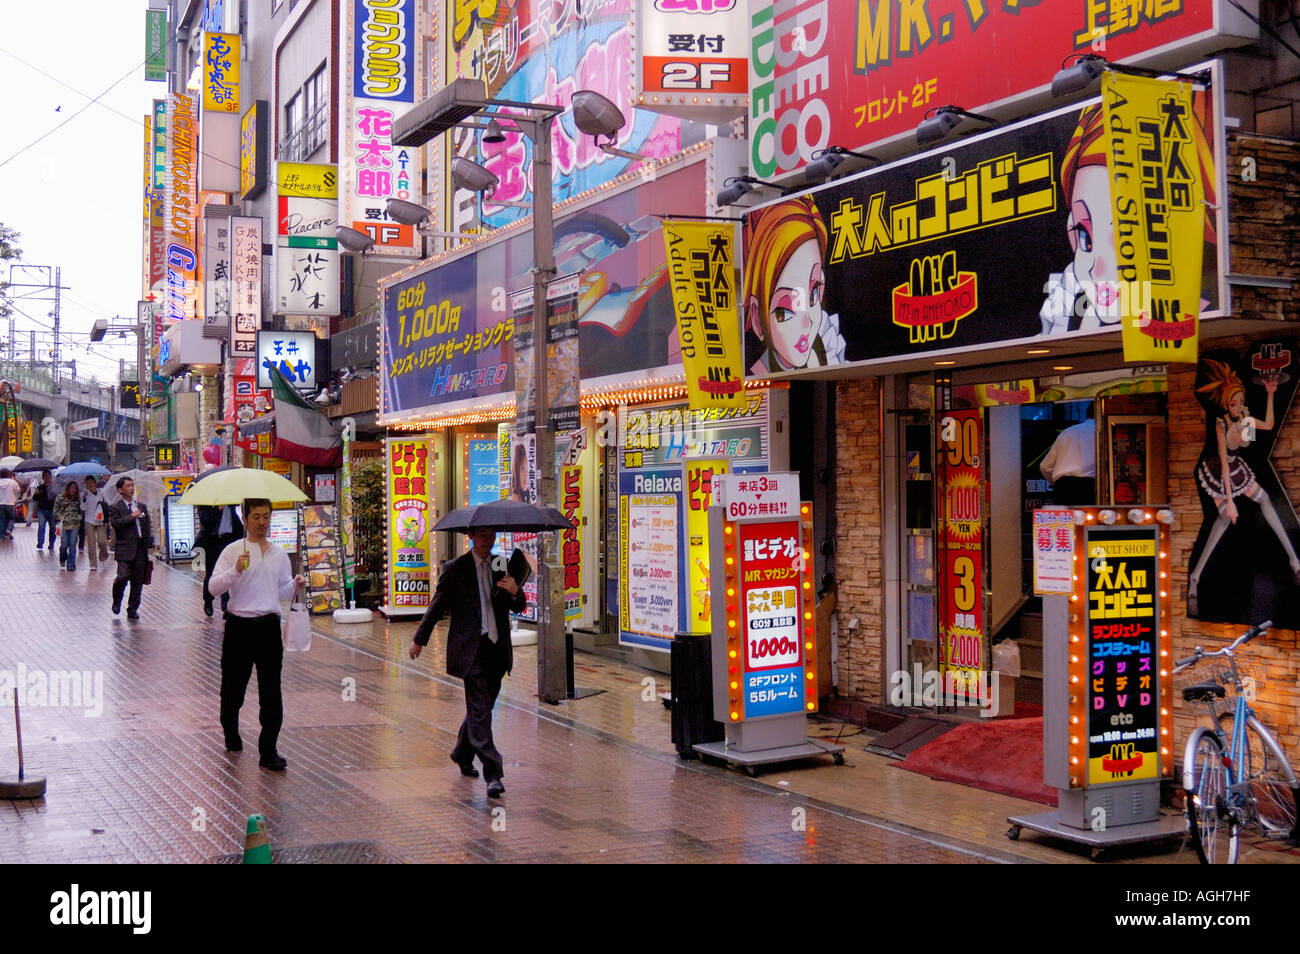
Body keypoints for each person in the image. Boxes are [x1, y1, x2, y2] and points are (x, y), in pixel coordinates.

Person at [409, 527, 524, 798]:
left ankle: (462, 752)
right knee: (480, 711)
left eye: (492, 535)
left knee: (481, 707)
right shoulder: (456, 568)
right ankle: (493, 773)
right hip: (470, 649)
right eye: (483, 535)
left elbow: (518, 607)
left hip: (497, 649)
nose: (488, 539)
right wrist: (419, 640)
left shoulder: (500, 564)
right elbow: (437, 606)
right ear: (471, 537)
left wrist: (515, 590)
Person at [1189, 361, 1300, 616]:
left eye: (1240, 401)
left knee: (1263, 499)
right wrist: (1230, 500)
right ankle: (1196, 578)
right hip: (1218, 470)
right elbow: (1223, 461)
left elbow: (1269, 425)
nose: (1238, 406)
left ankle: (1294, 561)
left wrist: (1271, 394)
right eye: (1233, 403)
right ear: (1227, 405)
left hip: (1236, 466)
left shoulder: (1245, 419)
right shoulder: (1222, 424)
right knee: (1225, 518)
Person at [207, 498, 306, 771]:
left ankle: (269, 750)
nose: (262, 522)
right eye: (256, 517)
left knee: (271, 692)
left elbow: (283, 591)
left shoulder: (278, 554)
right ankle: (231, 732)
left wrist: (295, 585)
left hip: (268, 628)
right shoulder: (232, 551)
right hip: (239, 627)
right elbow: (214, 587)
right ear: (245, 519)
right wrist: (235, 570)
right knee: (232, 691)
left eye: (266, 516)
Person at [742, 196, 845, 373]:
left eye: (813, 295)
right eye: (784, 311)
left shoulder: (827, 350)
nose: (807, 322)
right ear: (758, 319)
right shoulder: (758, 372)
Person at [107, 476, 153, 620]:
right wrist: (132, 516)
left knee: (137, 580)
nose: (131, 488)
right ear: (120, 490)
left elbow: (146, 526)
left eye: (132, 485)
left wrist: (148, 545)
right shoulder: (115, 507)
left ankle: (133, 608)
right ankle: (117, 600)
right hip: (124, 548)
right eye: (128, 486)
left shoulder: (141, 506)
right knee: (123, 576)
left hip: (140, 547)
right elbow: (116, 524)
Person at [1040, 405, 1097, 505]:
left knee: (1064, 520)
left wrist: (1056, 482)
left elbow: (1045, 466)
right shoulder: (1102, 432)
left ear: (1086, 414)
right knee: (1089, 519)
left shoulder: (1068, 432)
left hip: (1063, 487)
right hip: (1089, 487)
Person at [196, 504, 244, 617]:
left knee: (228, 571)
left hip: (228, 540)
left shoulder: (231, 503)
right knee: (211, 572)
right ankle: (208, 600)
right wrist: (218, 508)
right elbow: (205, 520)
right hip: (212, 541)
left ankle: (226, 604)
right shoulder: (206, 503)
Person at [80, 475, 111, 571]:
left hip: (100, 520)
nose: (90, 484)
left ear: (95, 482)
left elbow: (107, 503)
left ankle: (104, 557)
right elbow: (82, 508)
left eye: (91, 482)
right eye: (87, 483)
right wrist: (84, 500)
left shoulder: (101, 493)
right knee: (91, 543)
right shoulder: (84, 494)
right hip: (89, 520)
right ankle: (92, 563)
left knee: (102, 541)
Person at [54, 480, 83, 570]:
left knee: (72, 544)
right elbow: (56, 510)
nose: (73, 490)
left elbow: (81, 511)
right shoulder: (60, 497)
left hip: (75, 524)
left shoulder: (78, 499)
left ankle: (71, 565)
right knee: (64, 544)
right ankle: (63, 557)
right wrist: (60, 517)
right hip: (64, 524)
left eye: (75, 488)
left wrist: (78, 518)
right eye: (71, 488)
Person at [29, 470, 56, 550]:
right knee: (41, 526)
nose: (47, 478)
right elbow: (34, 499)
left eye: (49, 476)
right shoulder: (40, 488)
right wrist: (36, 494)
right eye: (45, 476)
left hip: (52, 510)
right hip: (42, 510)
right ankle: (40, 543)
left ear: (51, 477)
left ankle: (51, 543)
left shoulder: (54, 487)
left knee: (53, 527)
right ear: (43, 477)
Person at [0, 468, 19, 540]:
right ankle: (9, 530)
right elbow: (17, 492)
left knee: (1, 520)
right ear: (9, 474)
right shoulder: (13, 482)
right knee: (11, 519)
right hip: (10, 503)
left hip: (0, 504)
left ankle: (2, 536)